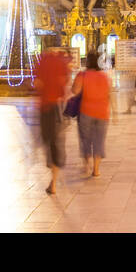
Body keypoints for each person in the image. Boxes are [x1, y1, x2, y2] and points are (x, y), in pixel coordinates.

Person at [34, 47, 69, 195]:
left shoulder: (42, 62)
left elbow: (37, 83)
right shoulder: (61, 63)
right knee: (56, 142)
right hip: (58, 107)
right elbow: (64, 82)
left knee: (48, 141)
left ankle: (52, 174)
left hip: (45, 107)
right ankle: (54, 180)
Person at [71, 51, 111, 177]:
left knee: (85, 139)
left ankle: (86, 165)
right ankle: (96, 170)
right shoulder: (105, 76)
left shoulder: (82, 75)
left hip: (86, 112)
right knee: (99, 140)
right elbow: (109, 94)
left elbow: (75, 91)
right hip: (102, 113)